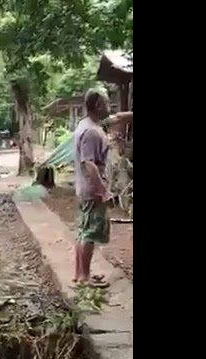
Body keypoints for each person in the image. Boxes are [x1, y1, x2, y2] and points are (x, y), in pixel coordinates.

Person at [71, 88, 133, 285]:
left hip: (85, 188)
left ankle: (80, 273)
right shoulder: (91, 132)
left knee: (84, 231)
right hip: (92, 190)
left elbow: (117, 118)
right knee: (89, 233)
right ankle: (85, 277)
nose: (110, 105)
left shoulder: (88, 124)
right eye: (107, 102)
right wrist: (103, 191)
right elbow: (88, 164)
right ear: (98, 105)